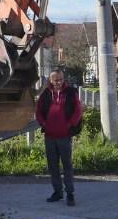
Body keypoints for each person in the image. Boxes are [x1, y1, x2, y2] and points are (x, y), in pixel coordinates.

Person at [35, 69, 83, 206]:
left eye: (61, 79)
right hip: (50, 136)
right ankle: (57, 192)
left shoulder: (70, 93)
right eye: (56, 80)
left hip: (64, 135)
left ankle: (70, 193)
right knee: (53, 166)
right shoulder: (45, 94)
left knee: (67, 165)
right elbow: (38, 111)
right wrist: (44, 123)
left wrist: (70, 124)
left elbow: (77, 110)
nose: (59, 82)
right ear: (50, 80)